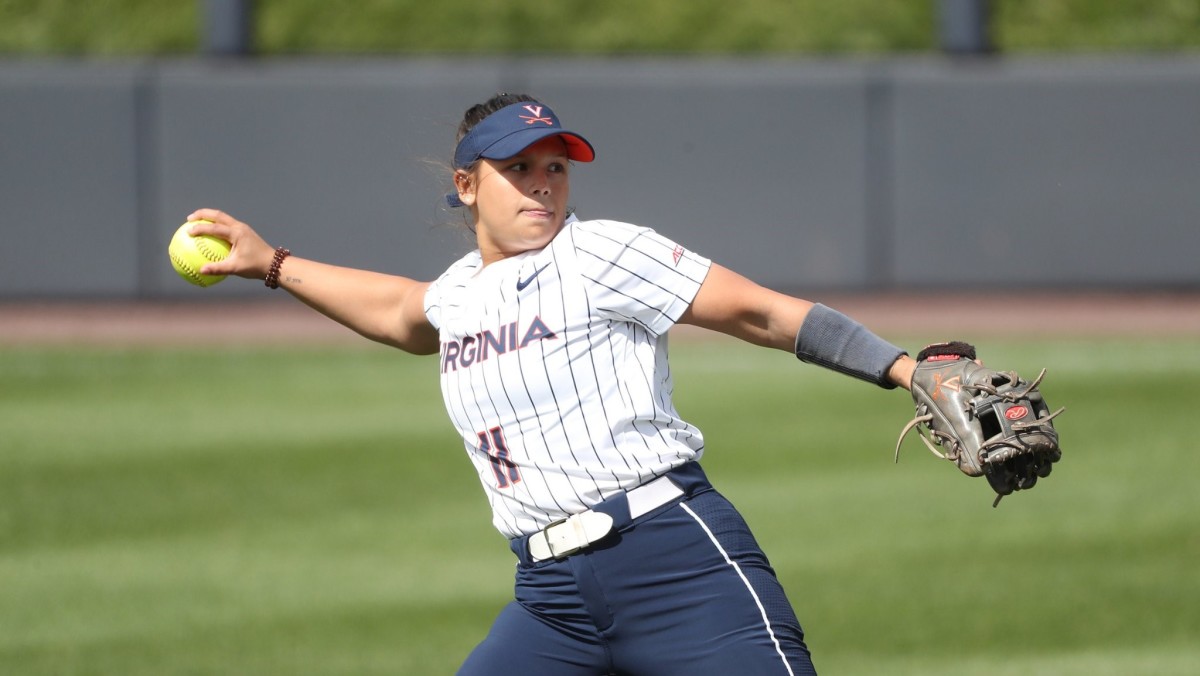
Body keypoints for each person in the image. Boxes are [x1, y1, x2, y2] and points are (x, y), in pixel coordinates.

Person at [188, 92, 917, 676]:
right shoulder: (458, 291)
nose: (542, 182)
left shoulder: (599, 251)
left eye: (556, 167)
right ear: (467, 185)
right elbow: (399, 312)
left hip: (673, 562)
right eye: (519, 167)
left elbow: (760, 312)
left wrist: (905, 369)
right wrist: (273, 264)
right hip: (551, 599)